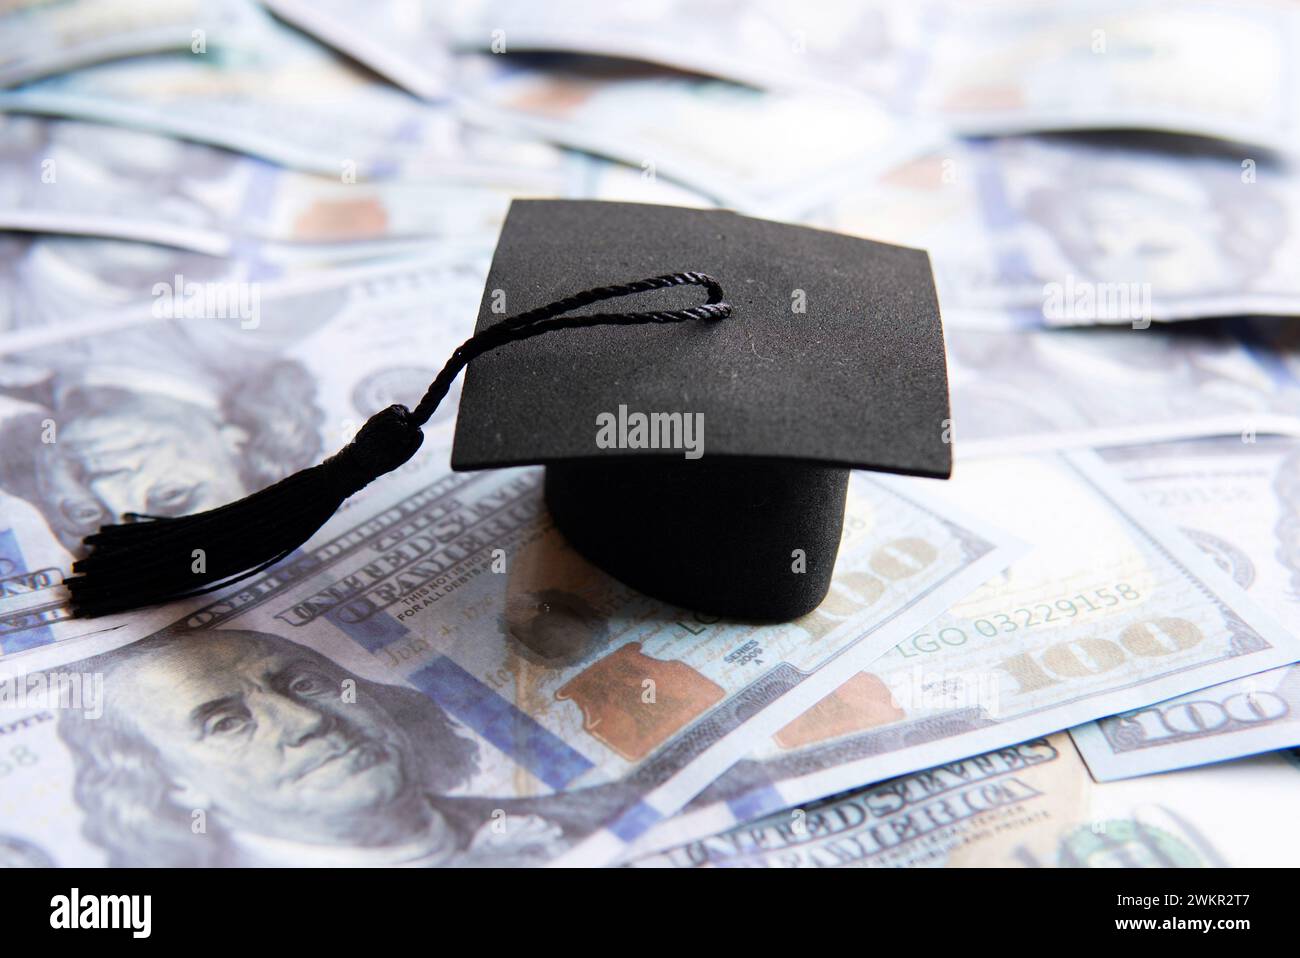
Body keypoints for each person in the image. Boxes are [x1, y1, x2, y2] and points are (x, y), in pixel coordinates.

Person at [58, 628, 623, 866]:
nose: (304, 722)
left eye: (304, 685)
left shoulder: (607, 811)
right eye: (227, 723)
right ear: (170, 779)